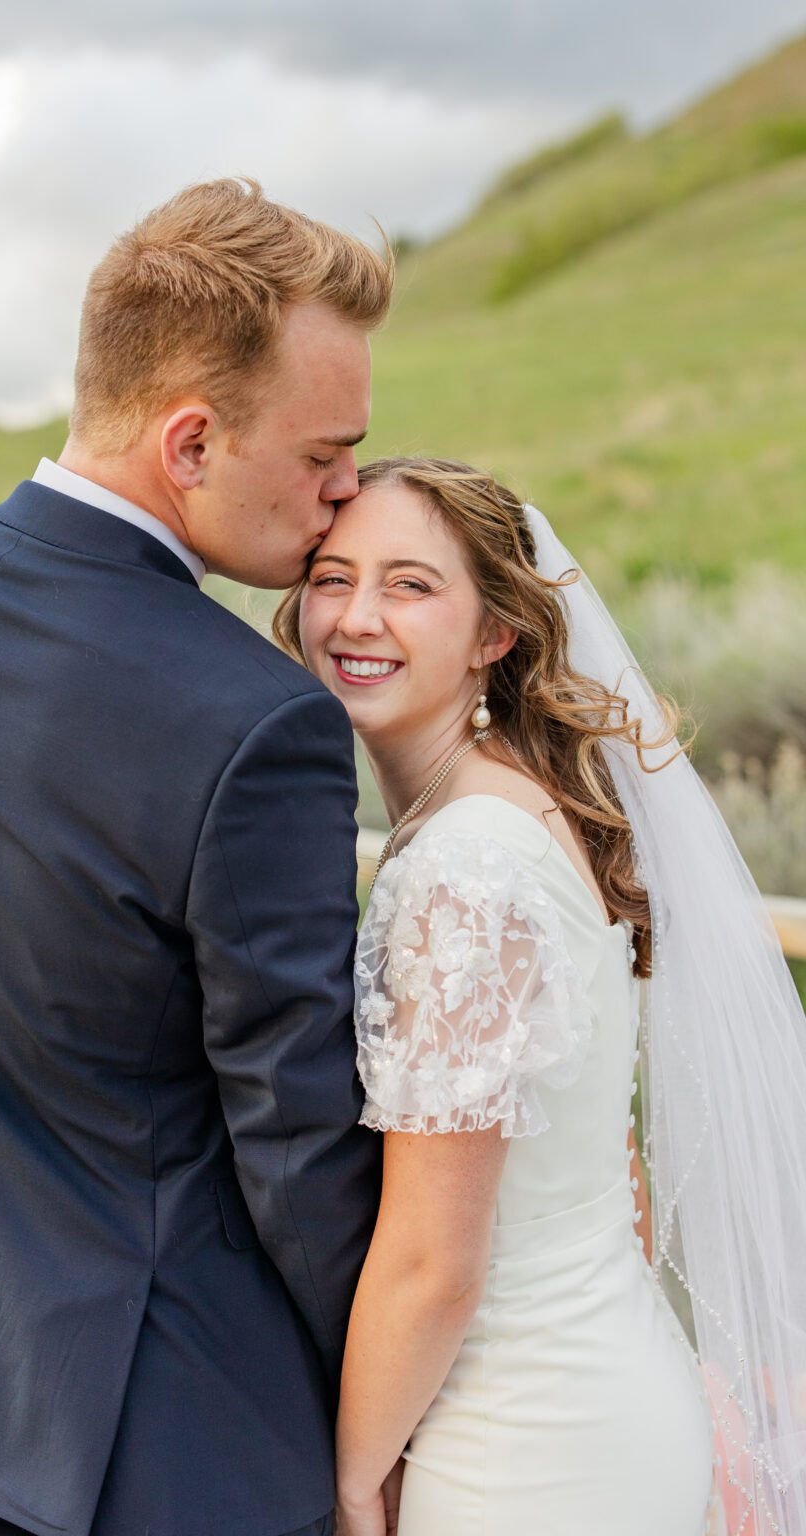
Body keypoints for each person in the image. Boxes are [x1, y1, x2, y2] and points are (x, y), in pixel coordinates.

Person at [0, 179, 393, 1536]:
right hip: (168, 1452)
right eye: (325, 454)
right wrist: (387, 1425)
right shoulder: (259, 721)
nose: (346, 491)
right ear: (190, 442)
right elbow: (297, 1147)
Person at [276, 456, 806, 1535]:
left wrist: (349, 1475)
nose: (356, 617)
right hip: (604, 1391)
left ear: (494, 634)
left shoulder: (466, 866)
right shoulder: (526, 806)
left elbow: (435, 1261)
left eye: (411, 585)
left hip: (521, 1452)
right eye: (333, 577)